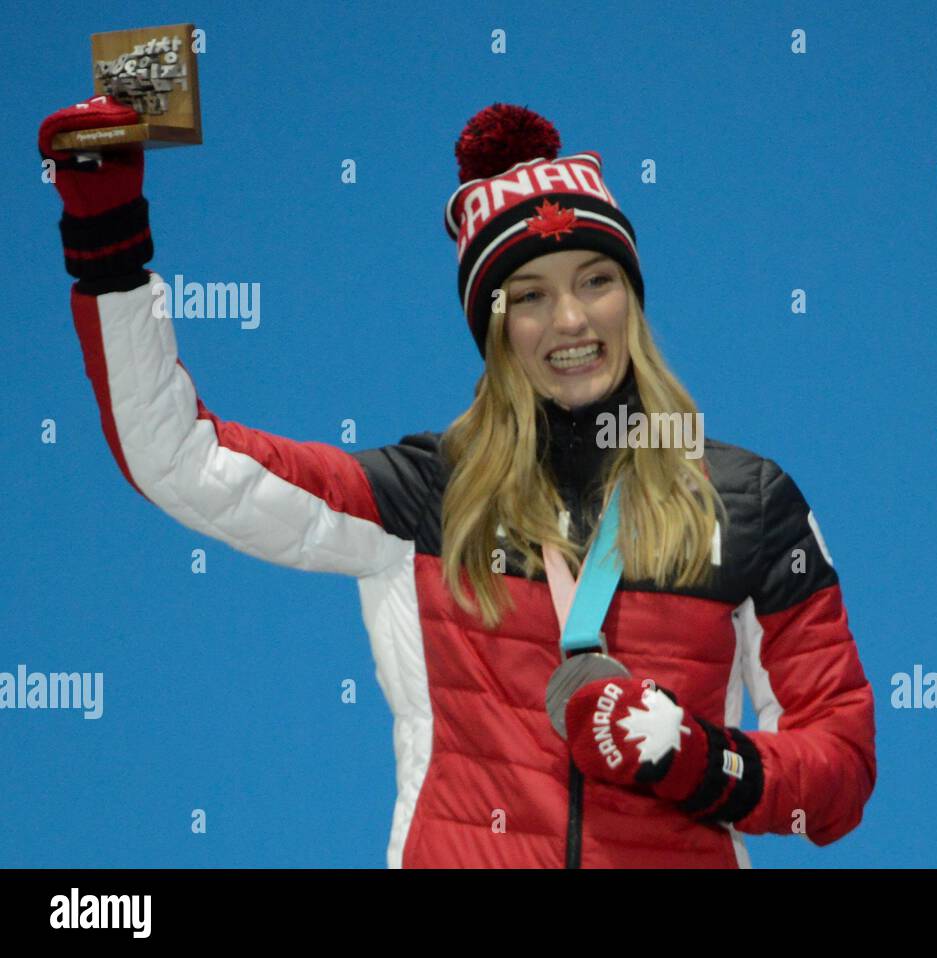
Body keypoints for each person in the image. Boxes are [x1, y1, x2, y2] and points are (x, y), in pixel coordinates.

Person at [40, 97, 877, 868]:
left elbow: (840, 771)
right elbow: (181, 461)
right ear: (493, 327)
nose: (573, 320)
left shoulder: (745, 501)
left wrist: (696, 756)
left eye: (597, 280)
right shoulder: (425, 495)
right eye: (531, 297)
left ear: (632, 298)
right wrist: (110, 247)